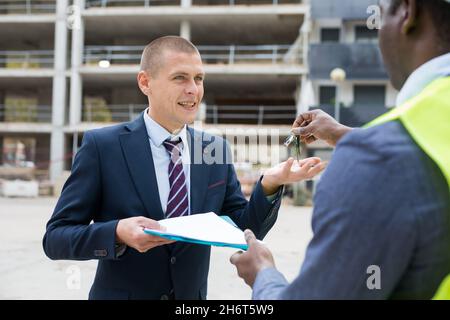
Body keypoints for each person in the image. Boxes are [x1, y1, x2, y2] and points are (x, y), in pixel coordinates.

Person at [43, 36, 325, 300]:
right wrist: (116, 232)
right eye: (180, 78)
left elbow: (244, 230)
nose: (193, 89)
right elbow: (56, 238)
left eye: (199, 78)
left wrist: (270, 183)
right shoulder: (102, 147)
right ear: (145, 82)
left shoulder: (214, 149)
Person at [230, 0, 450, 299]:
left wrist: (263, 275)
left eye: (382, 13)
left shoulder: (372, 162)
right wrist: (341, 134)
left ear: (408, 12)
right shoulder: (395, 146)